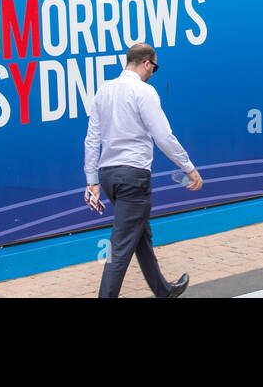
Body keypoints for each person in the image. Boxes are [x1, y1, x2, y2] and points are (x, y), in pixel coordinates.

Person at [83, 42, 202, 299]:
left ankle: (164, 291)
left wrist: (92, 181)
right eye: (154, 68)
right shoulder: (144, 92)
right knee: (120, 245)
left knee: (140, 234)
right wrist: (188, 167)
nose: (153, 73)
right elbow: (163, 136)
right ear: (147, 63)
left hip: (109, 176)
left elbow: (92, 139)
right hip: (133, 177)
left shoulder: (103, 91)